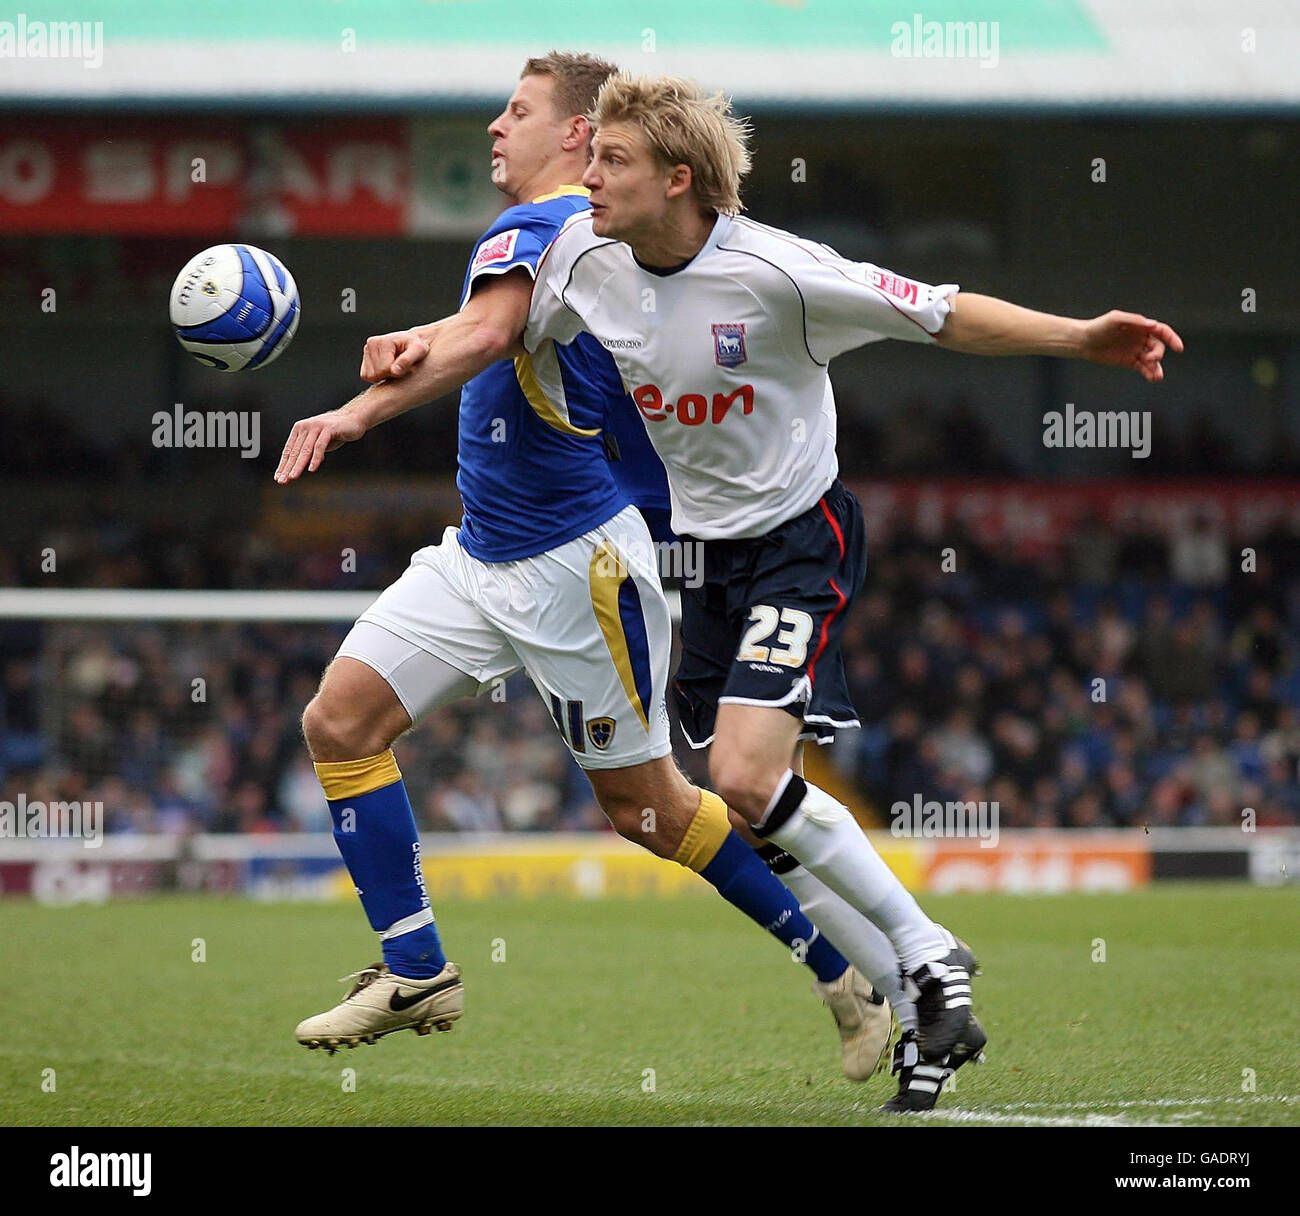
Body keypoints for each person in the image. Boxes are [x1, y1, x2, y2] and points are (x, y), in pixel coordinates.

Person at [396, 72, 1181, 1110]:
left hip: (797, 542)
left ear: (678, 179)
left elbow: (942, 314)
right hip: (703, 560)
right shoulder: (583, 255)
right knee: (755, 807)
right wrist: (392, 374)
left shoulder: (781, 273)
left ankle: (927, 954)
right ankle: (926, 1010)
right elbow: (488, 333)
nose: (589, 176)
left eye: (613, 160)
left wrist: (1078, 338)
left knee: (746, 775)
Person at [274, 52, 901, 1086]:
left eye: (517, 110)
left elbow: (488, 333)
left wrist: (354, 414)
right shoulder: (573, 237)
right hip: (480, 550)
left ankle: (842, 974)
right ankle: (417, 968)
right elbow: (489, 328)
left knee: (650, 809)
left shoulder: (549, 225)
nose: (494, 126)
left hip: (576, 567)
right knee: (339, 724)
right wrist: (420, 336)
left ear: (575, 134)